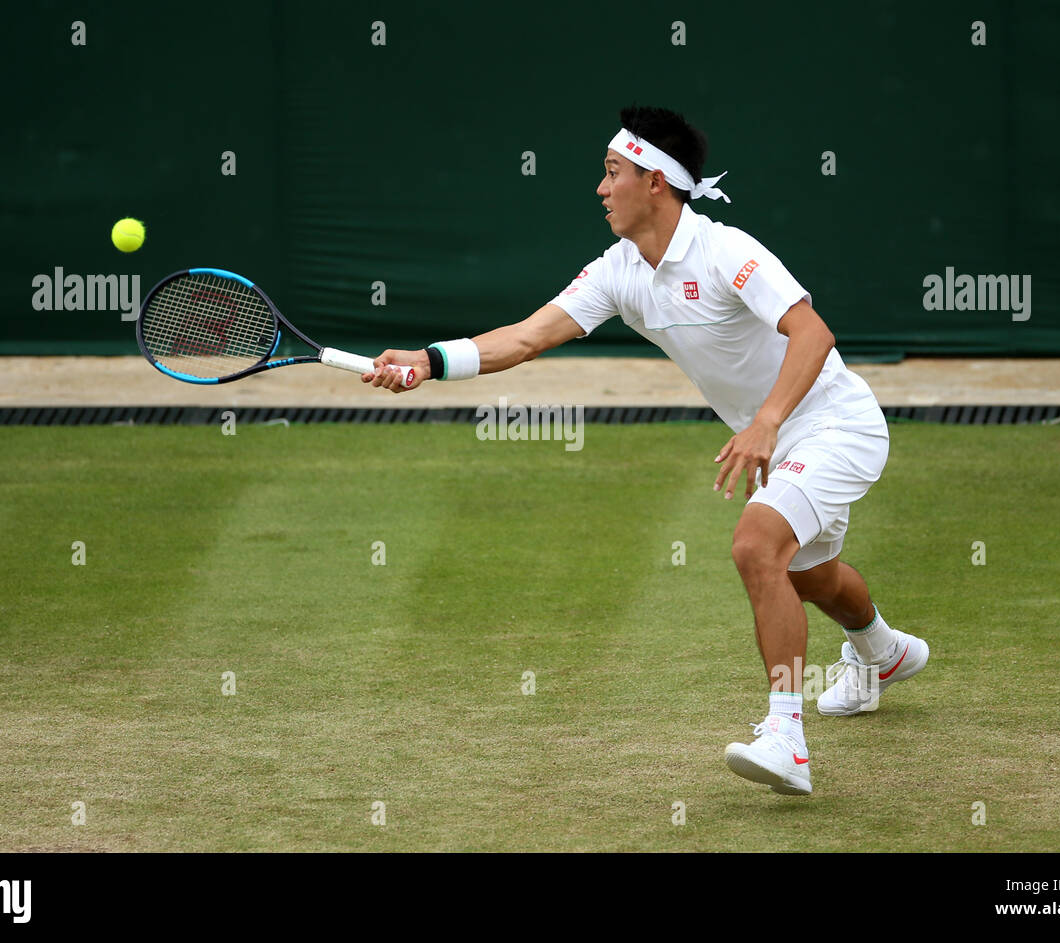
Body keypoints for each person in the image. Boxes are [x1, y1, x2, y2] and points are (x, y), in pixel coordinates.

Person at [363, 105, 929, 796]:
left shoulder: (728, 252)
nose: (600, 189)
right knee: (811, 577)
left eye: (612, 173)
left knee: (755, 546)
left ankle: (786, 735)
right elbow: (528, 335)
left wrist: (767, 423)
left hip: (836, 424)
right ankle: (883, 651)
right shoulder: (618, 270)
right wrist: (427, 360)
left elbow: (813, 333)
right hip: (780, 437)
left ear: (655, 182)